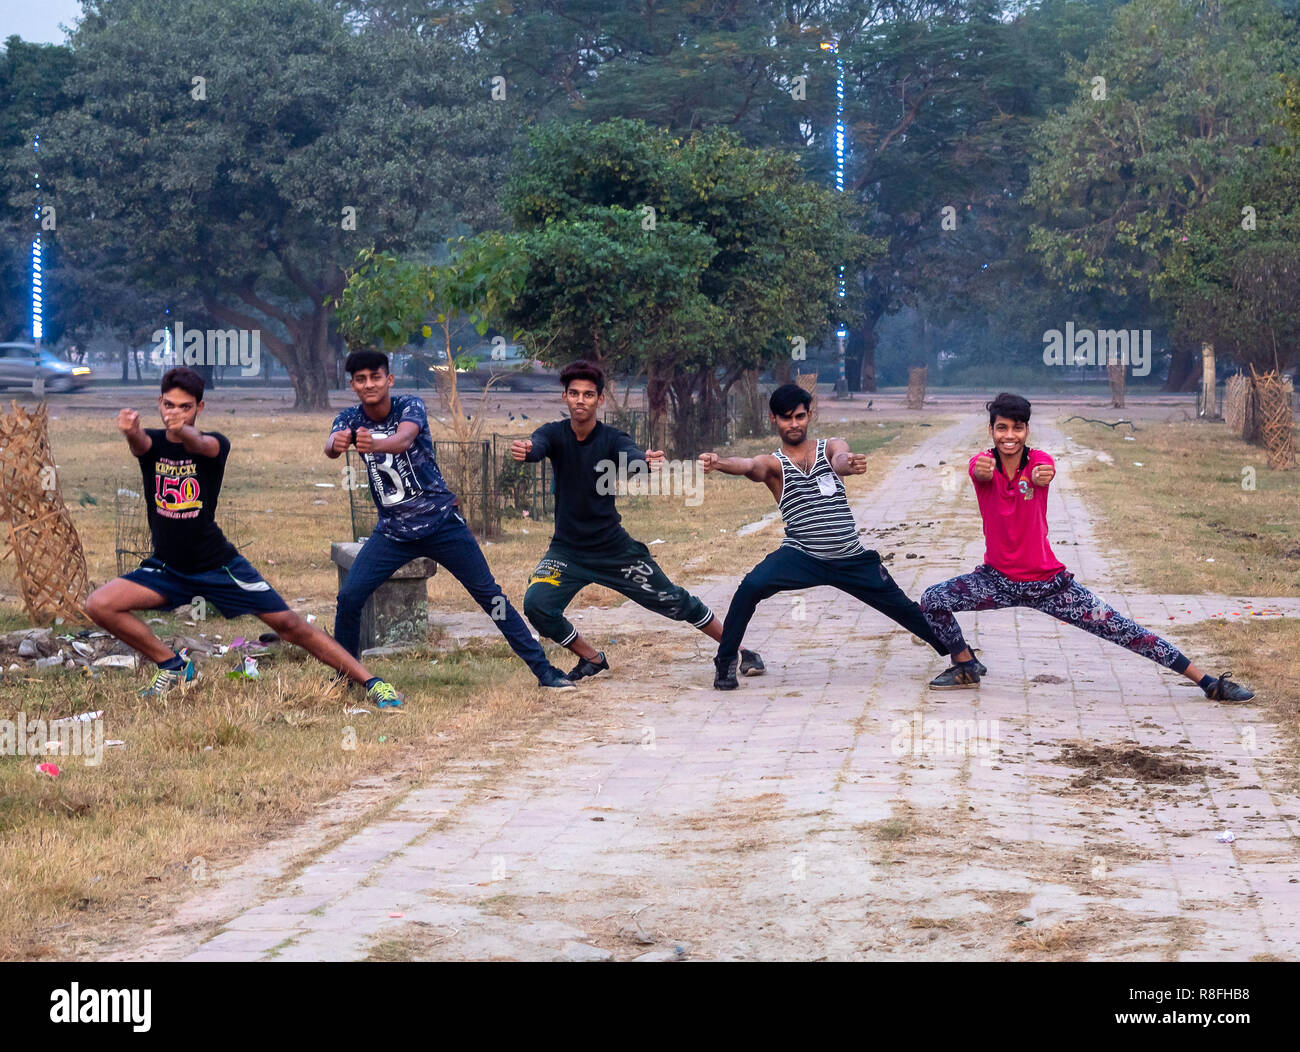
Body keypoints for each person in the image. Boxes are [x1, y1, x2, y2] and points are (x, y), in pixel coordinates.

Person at [84, 367, 404, 706]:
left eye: (185, 407)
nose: (174, 413)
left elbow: (201, 444)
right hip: (168, 568)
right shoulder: (153, 444)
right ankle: (174, 665)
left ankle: (372, 683)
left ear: (200, 408)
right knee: (99, 604)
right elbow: (140, 444)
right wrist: (130, 431)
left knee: (290, 625)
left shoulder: (215, 445)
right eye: (169, 405)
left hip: (218, 566)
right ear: (159, 403)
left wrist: (183, 432)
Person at [918, 392, 1255, 700]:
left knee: (1125, 630)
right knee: (933, 599)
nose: (1009, 436)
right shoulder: (983, 464)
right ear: (991, 430)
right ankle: (965, 665)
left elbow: (1044, 470)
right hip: (995, 582)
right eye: (1002, 428)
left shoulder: (1038, 460)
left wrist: (1040, 477)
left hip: (1049, 585)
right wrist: (982, 470)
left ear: (1027, 431)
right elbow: (979, 472)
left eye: (1017, 428)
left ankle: (1209, 682)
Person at [326, 349, 574, 691]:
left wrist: (376, 441)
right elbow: (331, 445)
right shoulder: (349, 418)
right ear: (352, 384)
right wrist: (336, 443)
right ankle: (347, 678)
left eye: (376, 377)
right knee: (350, 597)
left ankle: (545, 672)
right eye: (360, 379)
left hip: (441, 524)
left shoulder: (409, 406)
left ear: (389, 380)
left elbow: (404, 439)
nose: (369, 385)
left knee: (492, 599)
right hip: (393, 533)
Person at [512, 359, 761, 681]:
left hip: (615, 551)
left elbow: (631, 455)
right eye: (573, 393)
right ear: (564, 397)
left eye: (588, 394)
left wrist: (644, 460)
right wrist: (527, 449)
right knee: (537, 605)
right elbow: (538, 445)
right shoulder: (553, 434)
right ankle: (592, 658)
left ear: (600, 399)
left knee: (675, 602)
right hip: (566, 552)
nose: (580, 400)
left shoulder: (612, 438)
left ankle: (741, 651)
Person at [699, 382, 956, 689]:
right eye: (786, 418)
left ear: (810, 415)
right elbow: (750, 465)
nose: (794, 424)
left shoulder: (831, 446)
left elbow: (840, 459)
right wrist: (720, 463)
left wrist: (847, 464)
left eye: (799, 416)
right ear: (774, 420)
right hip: (801, 555)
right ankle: (726, 661)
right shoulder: (773, 464)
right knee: (750, 587)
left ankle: (961, 655)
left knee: (904, 608)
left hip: (850, 557)